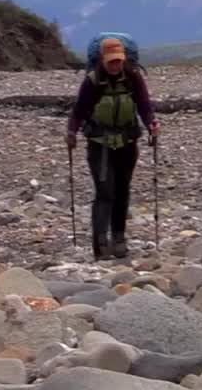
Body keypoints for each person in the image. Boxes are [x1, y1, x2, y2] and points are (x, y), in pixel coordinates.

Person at [66, 37, 158, 259]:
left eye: (118, 61)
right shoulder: (93, 80)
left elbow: (144, 105)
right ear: (102, 59)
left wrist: (152, 124)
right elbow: (79, 110)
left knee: (122, 189)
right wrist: (71, 132)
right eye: (111, 61)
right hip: (100, 143)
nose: (115, 65)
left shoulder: (133, 76)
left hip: (127, 141)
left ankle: (119, 238)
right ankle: (100, 244)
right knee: (105, 191)